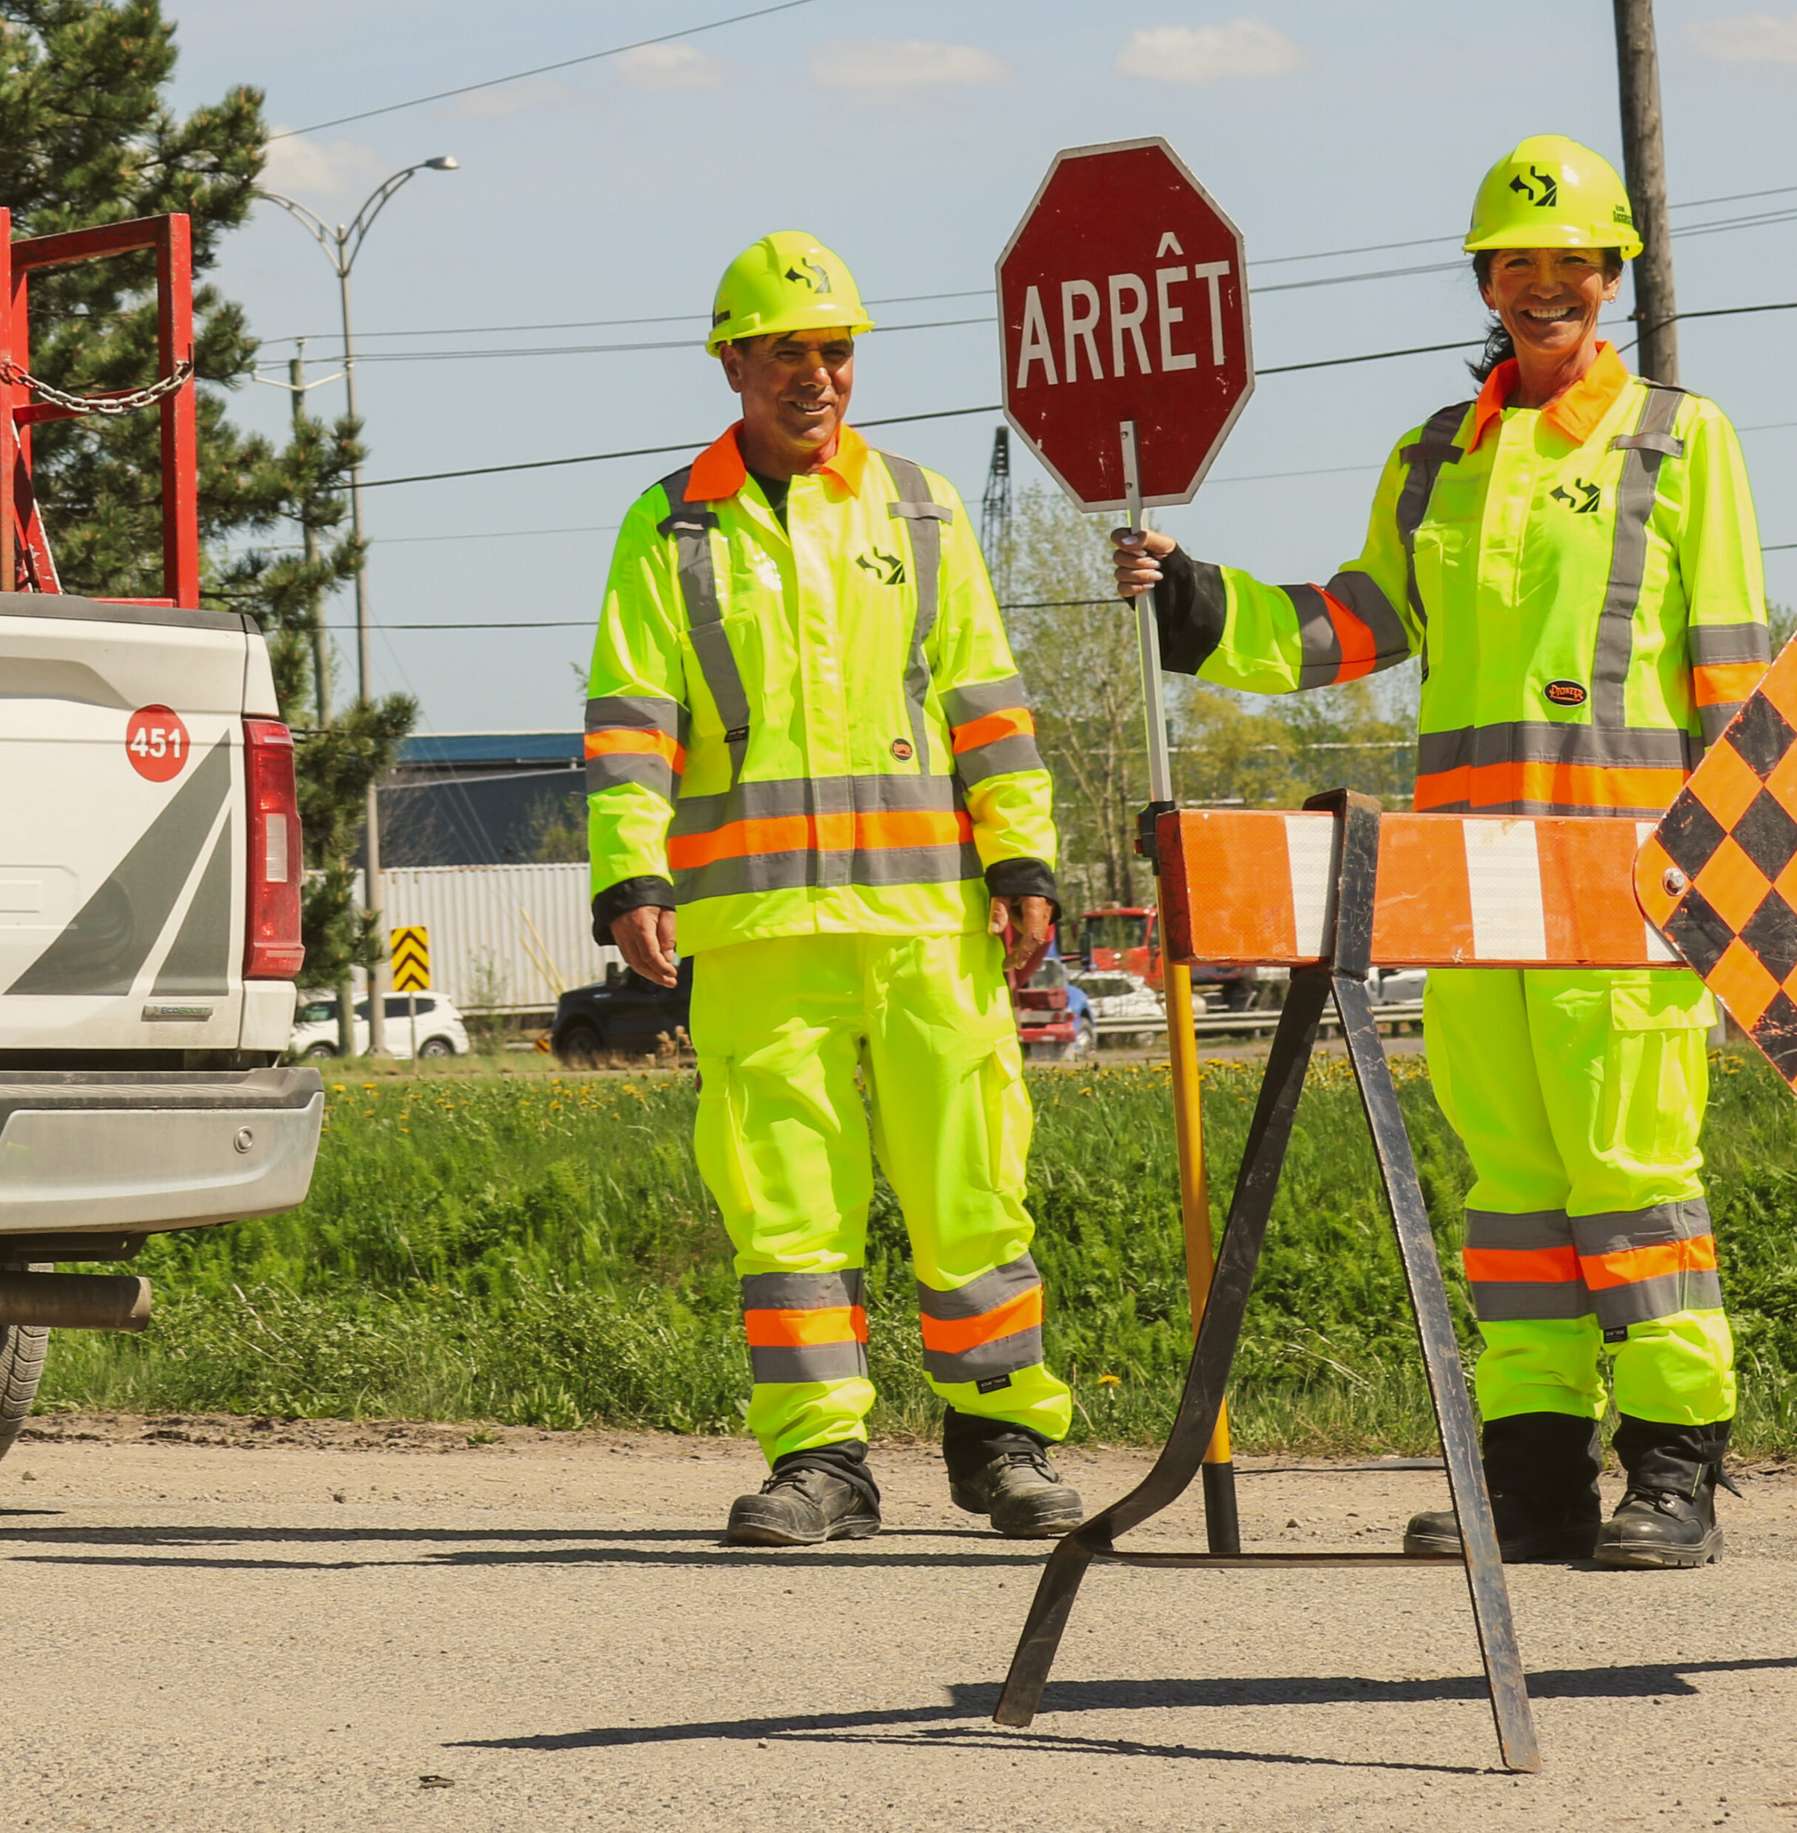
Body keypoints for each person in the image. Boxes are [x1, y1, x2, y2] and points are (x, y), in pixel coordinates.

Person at [1113, 136, 1767, 1569]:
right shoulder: (1431, 461)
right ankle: (1531, 1480)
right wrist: (1202, 605)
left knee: (1630, 1180)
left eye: (1576, 264)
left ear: (1611, 280)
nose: (1549, 287)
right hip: (1467, 894)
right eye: (1522, 263)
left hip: (1624, 891)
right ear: (1484, 278)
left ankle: (1672, 1467)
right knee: (1513, 1196)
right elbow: (1354, 620)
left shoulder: (1677, 437)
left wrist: (1753, 895)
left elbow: (1731, 670)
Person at [587, 231, 1083, 1546]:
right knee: (786, 1206)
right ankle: (821, 1462)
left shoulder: (919, 509)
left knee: (972, 1184)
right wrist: (626, 867)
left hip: (928, 922)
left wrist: (1023, 850)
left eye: (835, 351)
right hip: (755, 930)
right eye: (789, 351)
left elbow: (985, 696)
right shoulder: (670, 527)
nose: (816, 376)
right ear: (734, 362)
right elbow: (632, 718)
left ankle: (1001, 1440)